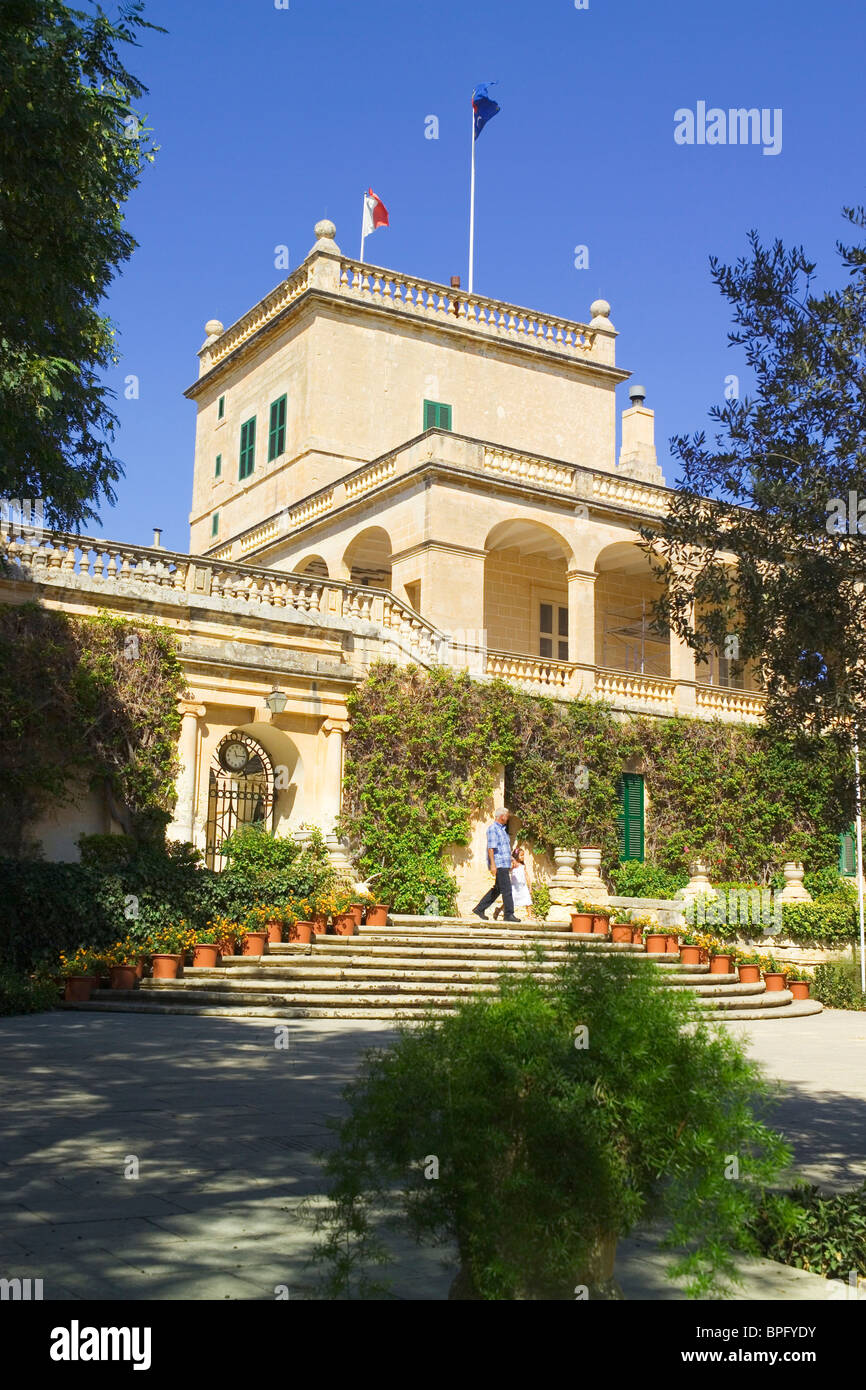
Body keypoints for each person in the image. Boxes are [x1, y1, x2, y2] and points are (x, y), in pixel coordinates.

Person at [473, 806, 519, 922]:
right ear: (502, 816)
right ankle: (509, 914)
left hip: (504, 863)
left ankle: (479, 909)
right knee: (507, 889)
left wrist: (512, 859)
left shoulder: (502, 830)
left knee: (498, 889)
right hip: (499, 864)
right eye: (507, 816)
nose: (508, 818)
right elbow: (491, 848)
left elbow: (504, 849)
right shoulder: (493, 829)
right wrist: (493, 865)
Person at [493, 846, 532, 921]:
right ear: (517, 856)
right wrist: (512, 866)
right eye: (521, 855)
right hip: (514, 887)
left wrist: (529, 886)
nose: (523, 857)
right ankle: (498, 910)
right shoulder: (513, 866)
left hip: (523, 887)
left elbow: (527, 876)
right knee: (509, 901)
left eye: (523, 855)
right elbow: (508, 871)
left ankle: (530, 916)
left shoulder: (523, 866)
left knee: (528, 900)